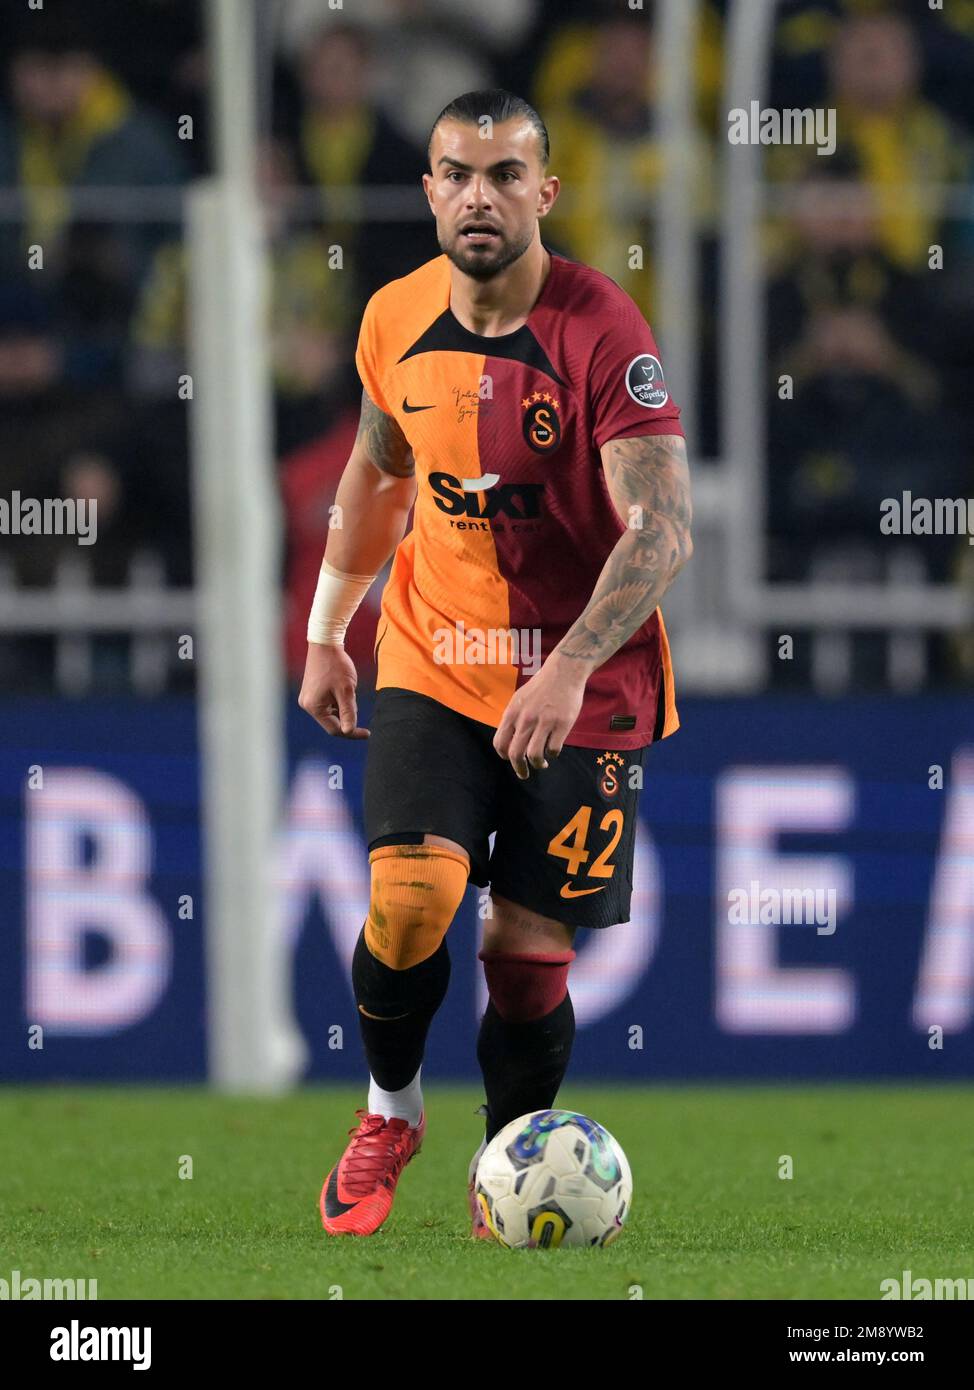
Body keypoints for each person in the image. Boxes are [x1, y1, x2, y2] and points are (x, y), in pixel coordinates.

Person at [298, 90, 692, 1238]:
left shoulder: (601, 329)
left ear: (544, 194)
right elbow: (376, 475)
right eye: (456, 173)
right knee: (410, 898)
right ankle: (389, 1110)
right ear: (426, 190)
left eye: (503, 175)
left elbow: (661, 530)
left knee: (525, 952)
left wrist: (566, 667)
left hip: (582, 681)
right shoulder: (392, 318)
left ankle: (500, 1172)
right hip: (434, 650)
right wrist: (330, 629)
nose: (479, 195)